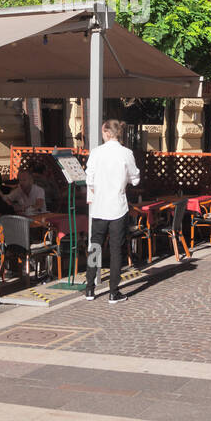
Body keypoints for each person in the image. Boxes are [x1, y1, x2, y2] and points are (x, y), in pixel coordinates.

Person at [84, 119, 140, 303]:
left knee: (95, 247)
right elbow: (136, 179)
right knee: (116, 250)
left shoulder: (96, 152)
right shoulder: (126, 153)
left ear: (107, 133)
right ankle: (113, 291)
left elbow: (89, 180)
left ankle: (90, 288)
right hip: (117, 206)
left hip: (99, 206)